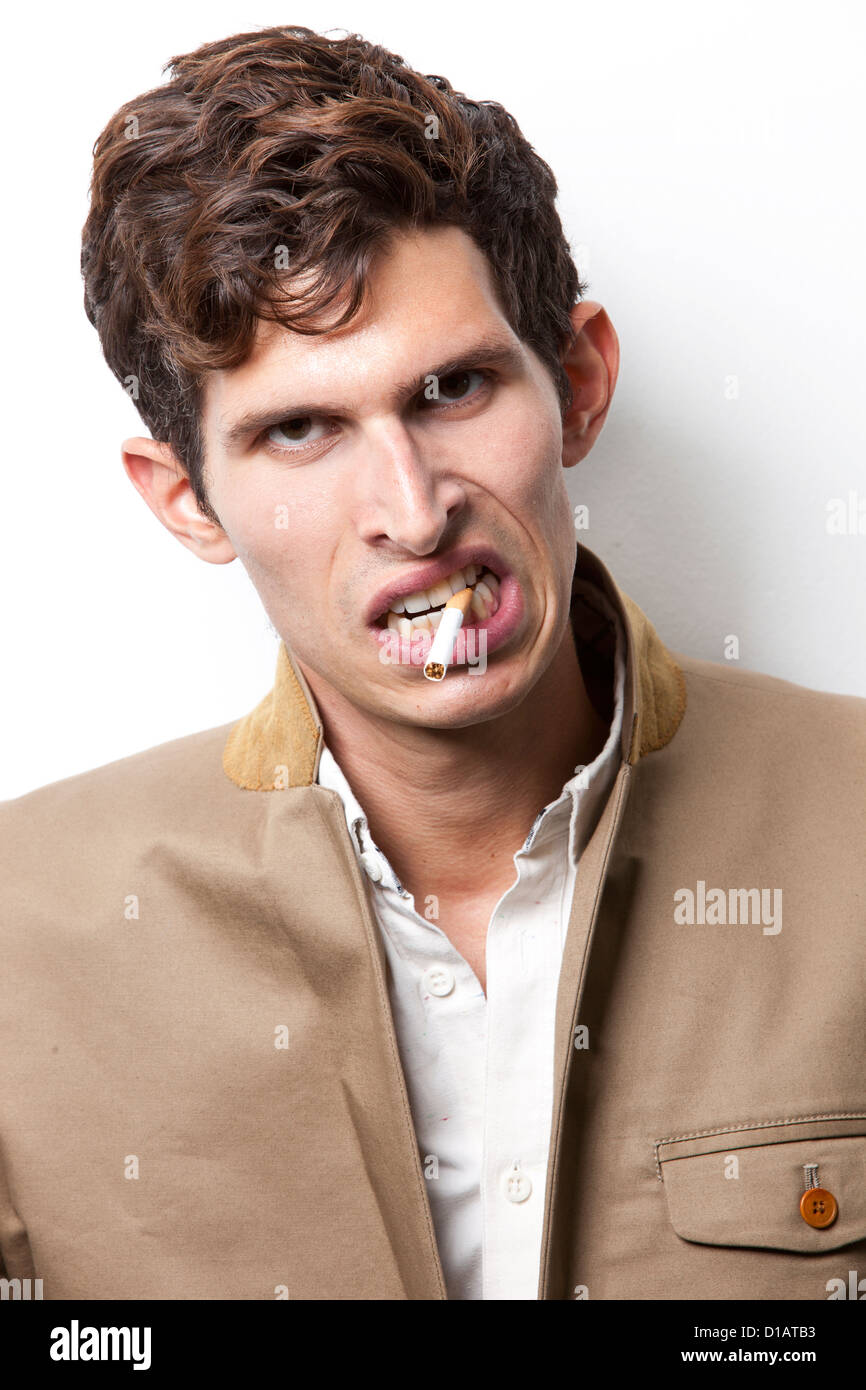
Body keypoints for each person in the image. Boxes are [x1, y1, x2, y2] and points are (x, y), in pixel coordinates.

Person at [1, 24, 863, 1303]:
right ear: (185, 501)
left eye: (451, 389)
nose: (409, 511)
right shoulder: (20, 935)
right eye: (299, 430)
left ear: (575, 384)